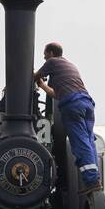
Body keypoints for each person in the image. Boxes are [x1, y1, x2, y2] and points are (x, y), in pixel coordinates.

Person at [34, 41, 100, 192]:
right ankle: (95, 180)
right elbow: (56, 94)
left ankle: (91, 182)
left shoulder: (52, 62)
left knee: (80, 142)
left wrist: (26, 78)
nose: (44, 58)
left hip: (73, 105)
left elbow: (33, 76)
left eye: (45, 55)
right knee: (89, 141)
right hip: (87, 104)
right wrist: (43, 85)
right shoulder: (69, 66)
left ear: (50, 53)